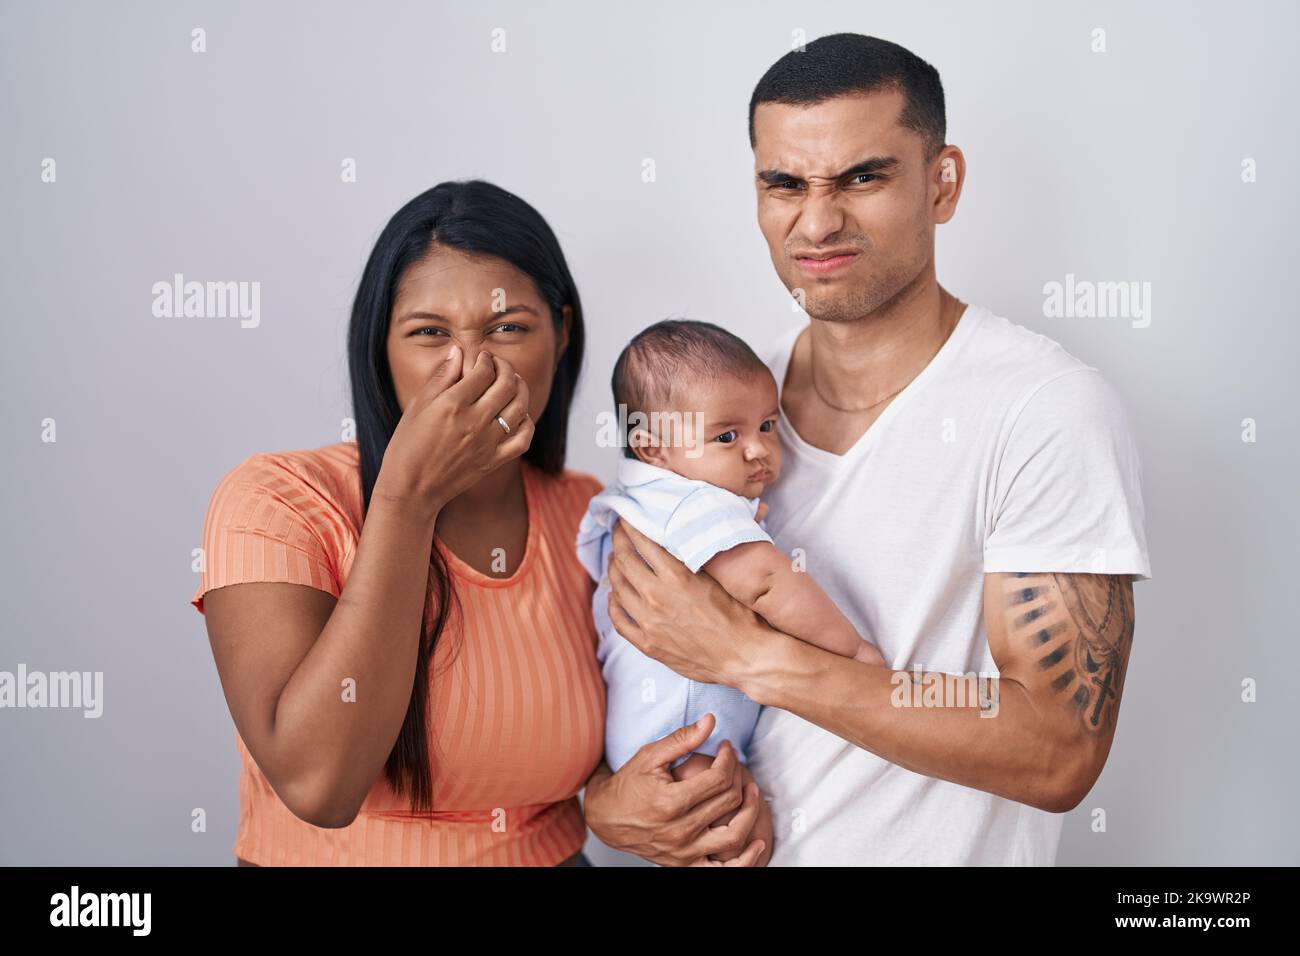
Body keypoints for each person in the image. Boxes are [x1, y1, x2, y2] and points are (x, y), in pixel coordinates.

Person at [583, 33, 1151, 866]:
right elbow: (624, 654)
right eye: (784, 184)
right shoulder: (721, 413)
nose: (816, 221)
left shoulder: (1045, 411)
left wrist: (750, 655)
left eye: (862, 177)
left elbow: (1058, 751)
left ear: (942, 182)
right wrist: (605, 806)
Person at [190, 179, 608, 866]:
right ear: (381, 347)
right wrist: (406, 503)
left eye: (509, 328)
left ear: (561, 335)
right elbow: (321, 786)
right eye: (428, 334)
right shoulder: (275, 501)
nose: (470, 366)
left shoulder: (588, 514)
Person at [576, 319, 886, 865]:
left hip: (658, 729)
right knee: (739, 840)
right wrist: (855, 654)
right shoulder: (694, 506)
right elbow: (767, 583)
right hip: (683, 730)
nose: (758, 450)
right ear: (654, 450)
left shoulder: (632, 499)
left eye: (767, 425)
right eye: (726, 436)